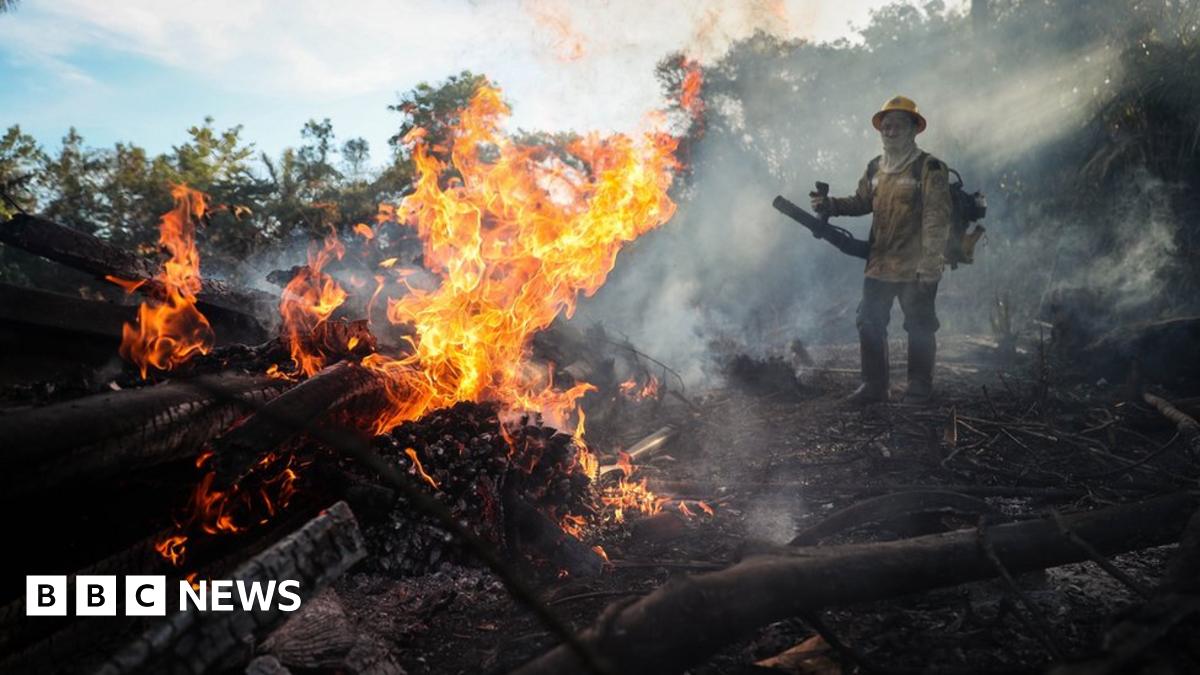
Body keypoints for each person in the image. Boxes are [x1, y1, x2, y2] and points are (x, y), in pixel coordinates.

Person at [811, 96, 952, 404]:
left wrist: (931, 261)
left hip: (916, 264)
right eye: (885, 126)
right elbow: (862, 202)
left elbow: (936, 218)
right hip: (880, 263)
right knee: (869, 320)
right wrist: (831, 205)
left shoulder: (928, 168)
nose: (889, 131)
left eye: (897, 125)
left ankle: (919, 385)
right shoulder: (876, 167)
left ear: (914, 129)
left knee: (919, 323)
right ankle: (874, 386)